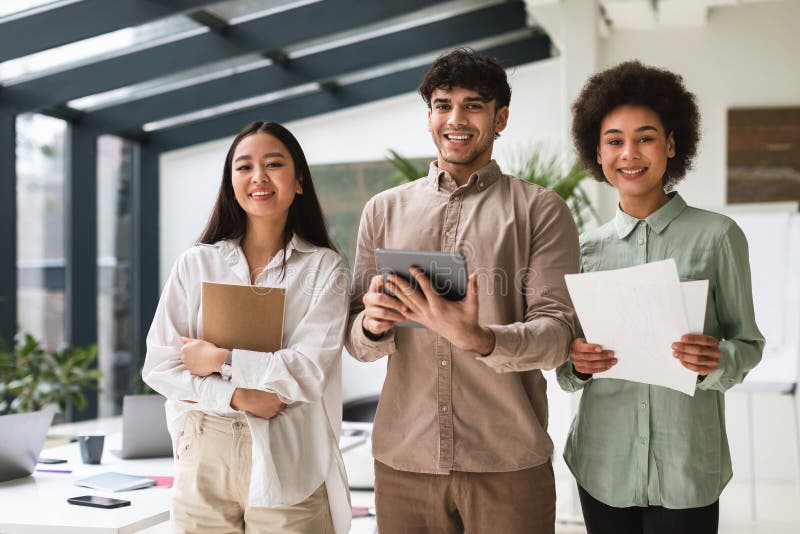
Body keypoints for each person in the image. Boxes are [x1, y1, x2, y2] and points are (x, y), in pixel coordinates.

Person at [345, 48, 580, 534]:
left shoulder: (541, 210)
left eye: (473, 105)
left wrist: (481, 339)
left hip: (507, 461)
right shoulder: (383, 211)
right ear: (429, 116)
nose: (456, 119)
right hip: (404, 462)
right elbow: (354, 338)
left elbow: (558, 335)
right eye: (442, 104)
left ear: (501, 118)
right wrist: (370, 323)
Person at [557, 61, 765, 534]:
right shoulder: (585, 249)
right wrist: (577, 363)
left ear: (672, 144)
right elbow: (567, 370)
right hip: (602, 462)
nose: (629, 153)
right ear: (598, 151)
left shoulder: (718, 237)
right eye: (614, 140)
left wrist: (714, 358)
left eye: (645, 137)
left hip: (686, 464)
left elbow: (747, 345)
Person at [142, 121, 351, 534]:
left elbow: (307, 373)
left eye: (273, 164)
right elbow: (161, 366)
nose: (258, 177)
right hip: (204, 451)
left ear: (299, 182)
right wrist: (236, 394)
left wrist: (220, 358)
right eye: (244, 167)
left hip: (288, 454)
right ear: (230, 182)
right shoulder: (196, 263)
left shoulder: (325, 268)